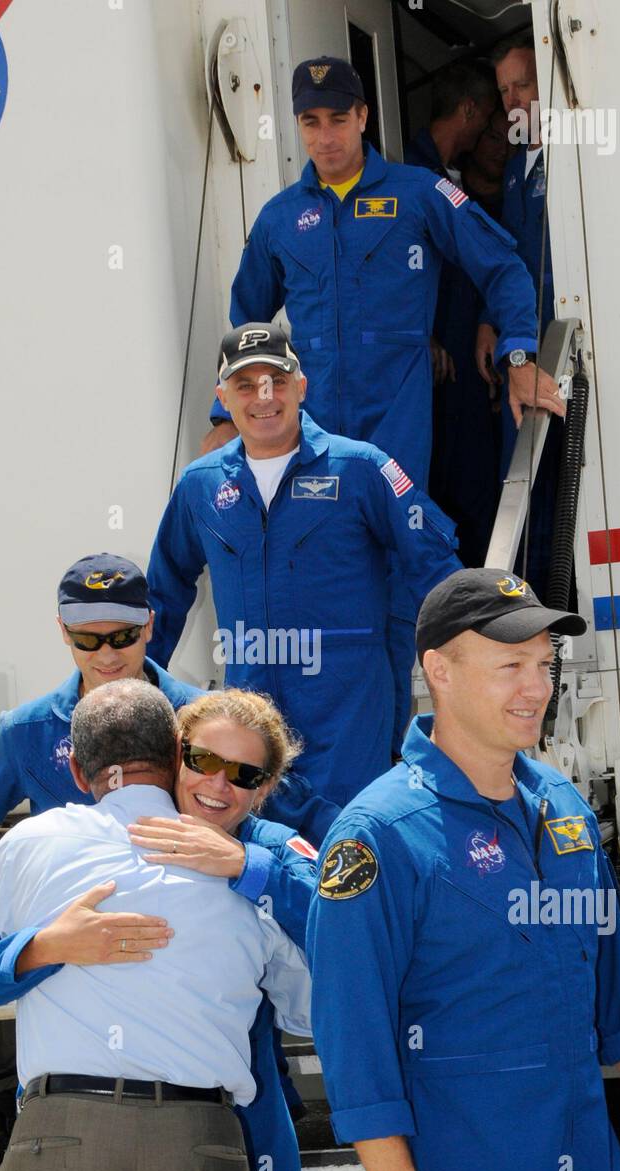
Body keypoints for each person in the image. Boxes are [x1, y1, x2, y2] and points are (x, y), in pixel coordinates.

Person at [308, 569, 620, 1171]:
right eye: (511, 665)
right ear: (438, 672)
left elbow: (610, 969)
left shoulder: (564, 805)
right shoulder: (380, 835)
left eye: (544, 665)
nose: (535, 688)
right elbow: (352, 1034)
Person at [201, 54, 564, 756]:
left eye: (339, 118)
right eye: (311, 121)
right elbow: (246, 322)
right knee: (315, 606)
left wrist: (520, 356)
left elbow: (504, 266)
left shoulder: (419, 193)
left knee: (403, 598)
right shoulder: (281, 219)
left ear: (364, 116)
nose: (326, 135)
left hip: (396, 448)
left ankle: (406, 762)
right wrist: (226, 420)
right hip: (311, 456)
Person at [0, 685, 319, 1171]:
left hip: (220, 1125)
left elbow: (345, 942)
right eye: (205, 762)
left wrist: (247, 870)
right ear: (177, 756)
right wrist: (48, 945)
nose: (219, 786)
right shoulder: (51, 844)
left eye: (245, 774)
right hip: (121, 1137)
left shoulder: (269, 854)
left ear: (265, 788)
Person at [0, 553, 334, 960]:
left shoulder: (209, 721)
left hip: (207, 950)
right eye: (87, 640)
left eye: (122, 636)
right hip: (79, 959)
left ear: (148, 624)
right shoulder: (25, 732)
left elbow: (301, 812)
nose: (107, 654)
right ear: (62, 631)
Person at [147, 323, 461, 808]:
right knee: (257, 848)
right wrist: (139, 692)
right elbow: (162, 595)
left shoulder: (360, 468)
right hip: (248, 718)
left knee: (349, 846)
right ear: (223, 398)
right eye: (245, 384)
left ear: (301, 386)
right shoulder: (201, 485)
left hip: (347, 714)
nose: (263, 396)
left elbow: (435, 568)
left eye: (275, 380)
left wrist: (474, 657)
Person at [405, 62, 503, 567]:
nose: (489, 129)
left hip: (463, 370)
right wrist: (420, 335)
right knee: (451, 497)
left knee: (474, 495)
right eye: (487, 115)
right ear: (468, 109)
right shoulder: (410, 178)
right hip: (430, 379)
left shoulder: (449, 179)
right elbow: (388, 274)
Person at [477, 33, 561, 595]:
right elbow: (503, 254)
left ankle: (560, 594)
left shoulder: (573, 158)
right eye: (504, 89)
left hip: (560, 343)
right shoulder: (514, 168)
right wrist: (490, 318)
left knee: (564, 477)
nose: (512, 100)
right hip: (521, 345)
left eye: (523, 84)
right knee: (527, 477)